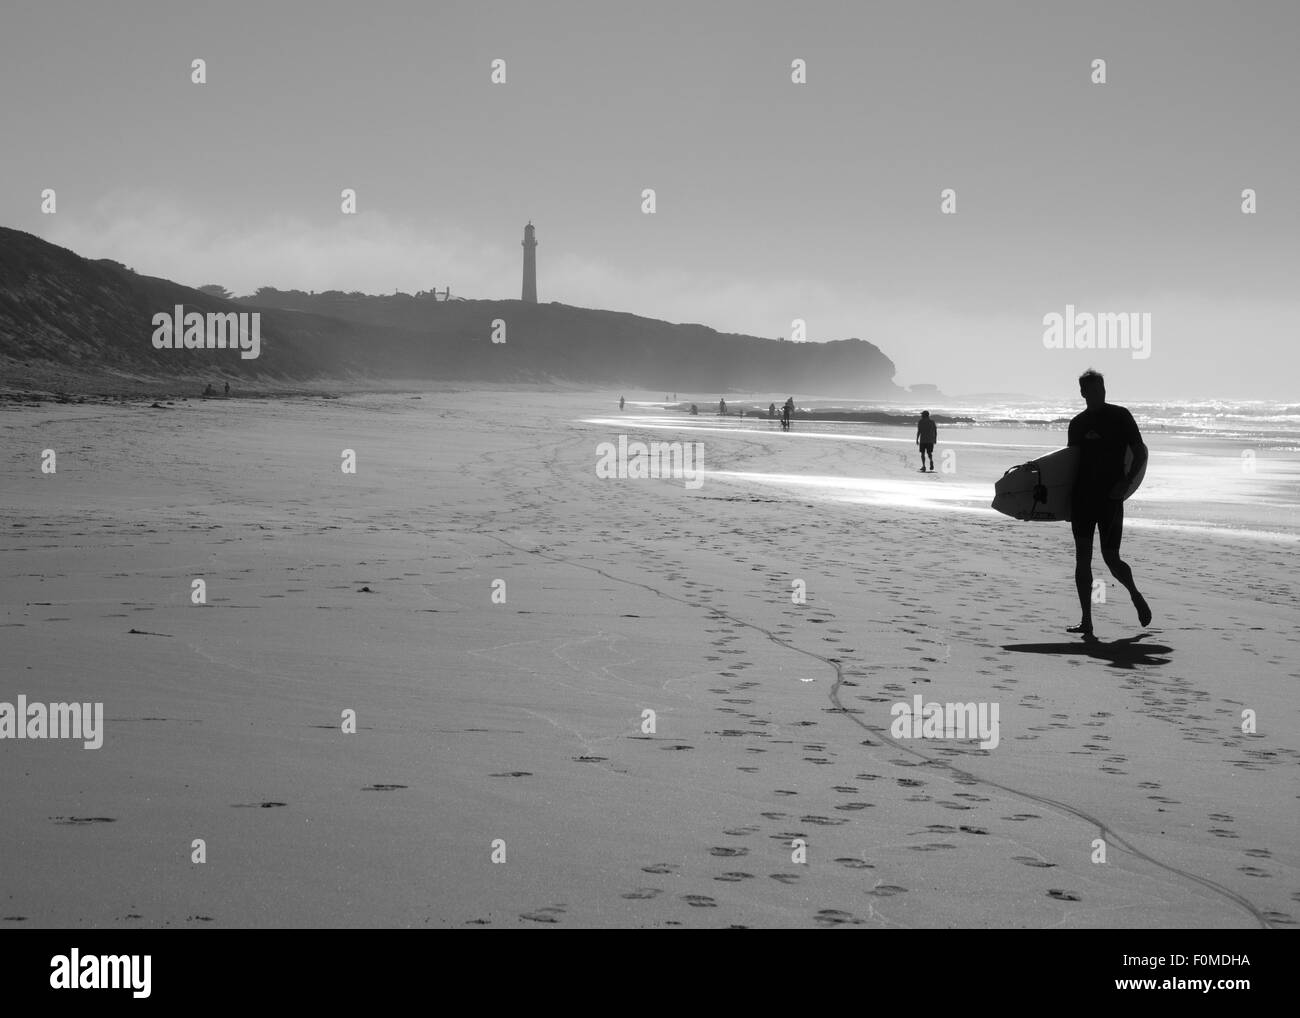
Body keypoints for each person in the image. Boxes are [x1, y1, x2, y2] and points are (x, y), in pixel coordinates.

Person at [1066, 369, 1152, 638]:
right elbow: (1070, 465)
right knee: (1082, 559)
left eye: (1102, 388)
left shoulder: (1120, 416)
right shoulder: (1077, 424)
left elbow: (1140, 451)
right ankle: (1087, 621)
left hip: (1110, 499)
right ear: (1083, 393)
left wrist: (1125, 484)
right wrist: (1064, 503)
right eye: (1094, 390)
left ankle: (1134, 593)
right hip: (1082, 499)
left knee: (1111, 558)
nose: (1100, 393)